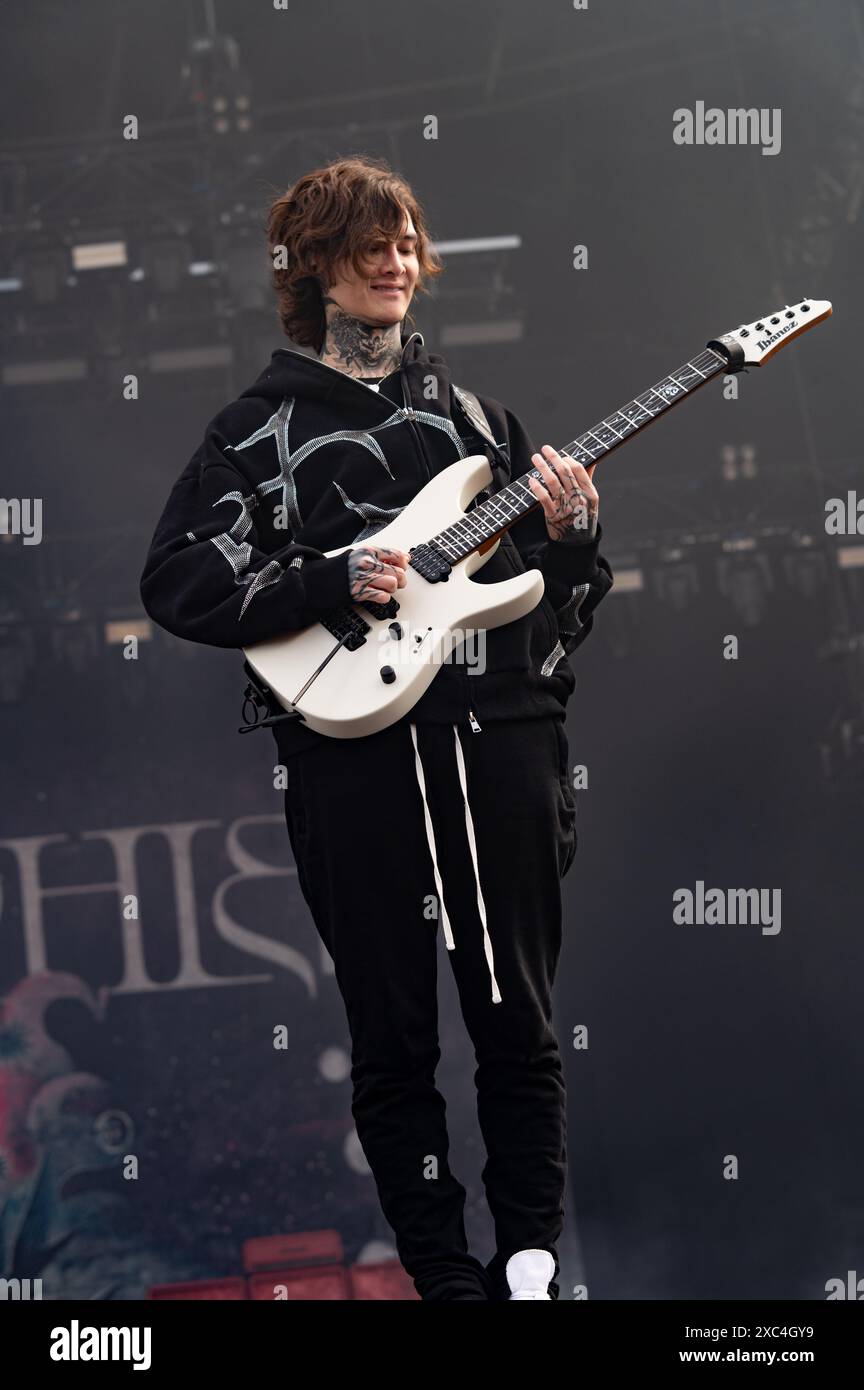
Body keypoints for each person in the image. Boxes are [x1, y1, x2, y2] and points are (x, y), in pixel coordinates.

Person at [140, 155, 613, 1301]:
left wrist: (573, 545)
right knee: (395, 1037)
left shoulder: (476, 421)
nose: (398, 263)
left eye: (407, 244)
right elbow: (178, 581)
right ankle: (444, 1277)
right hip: (353, 759)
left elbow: (553, 611)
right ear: (315, 267)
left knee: (518, 1015)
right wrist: (327, 576)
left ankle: (531, 1263)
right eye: (371, 246)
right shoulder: (254, 432)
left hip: (496, 736)